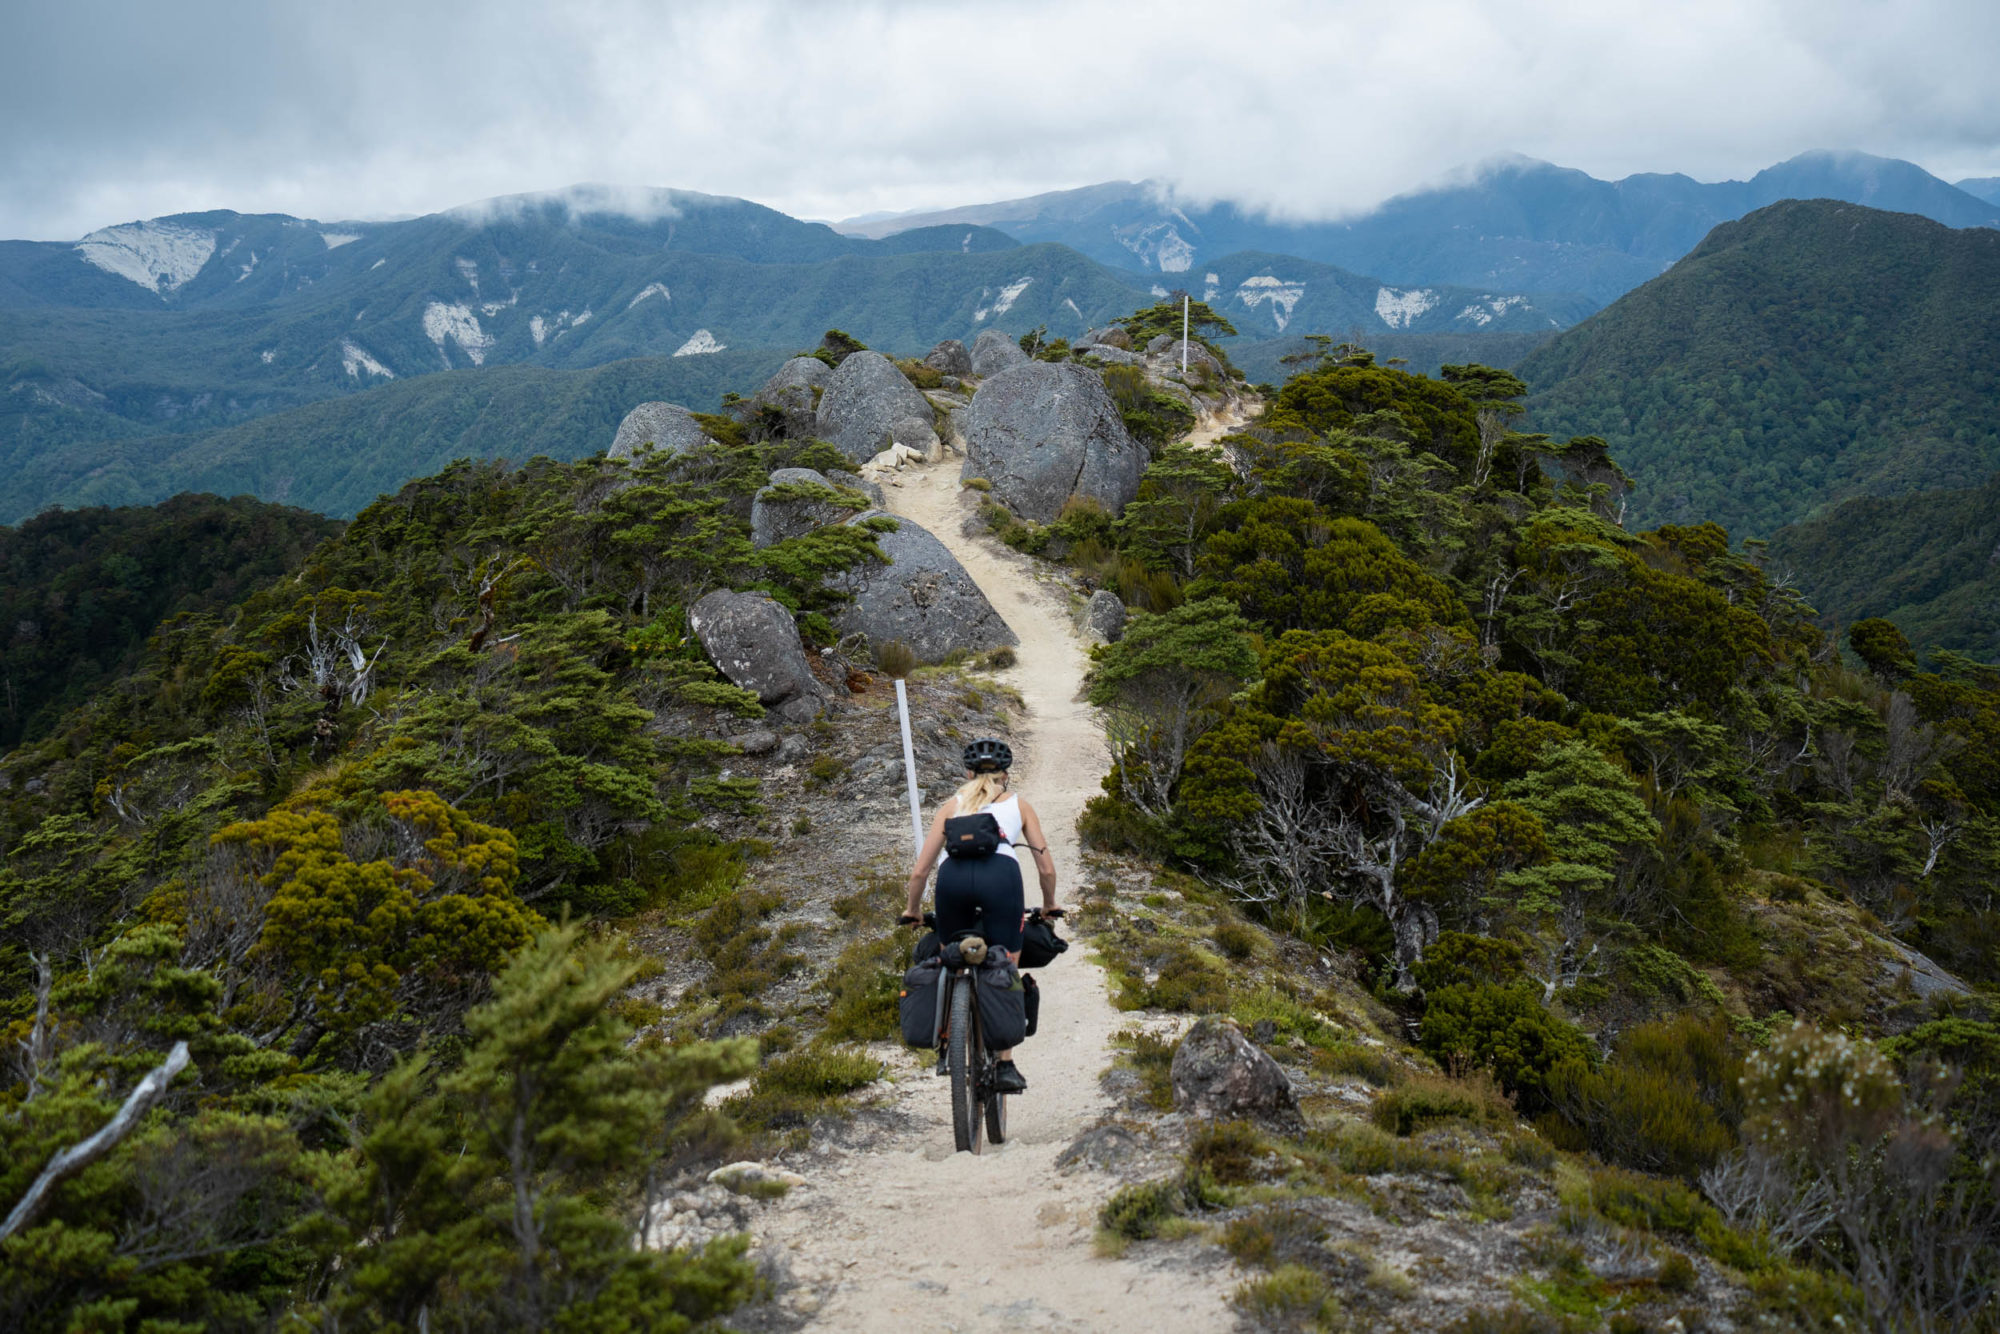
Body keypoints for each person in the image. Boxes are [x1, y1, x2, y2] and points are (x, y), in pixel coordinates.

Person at [901, 737, 1059, 1094]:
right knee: (1005, 967)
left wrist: (912, 910)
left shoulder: (950, 807)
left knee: (951, 959)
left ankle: (948, 1038)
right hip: (1001, 881)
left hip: (952, 883)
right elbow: (1046, 868)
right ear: (1005, 774)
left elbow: (920, 872)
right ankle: (1004, 1064)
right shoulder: (1019, 805)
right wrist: (1049, 905)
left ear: (968, 773)